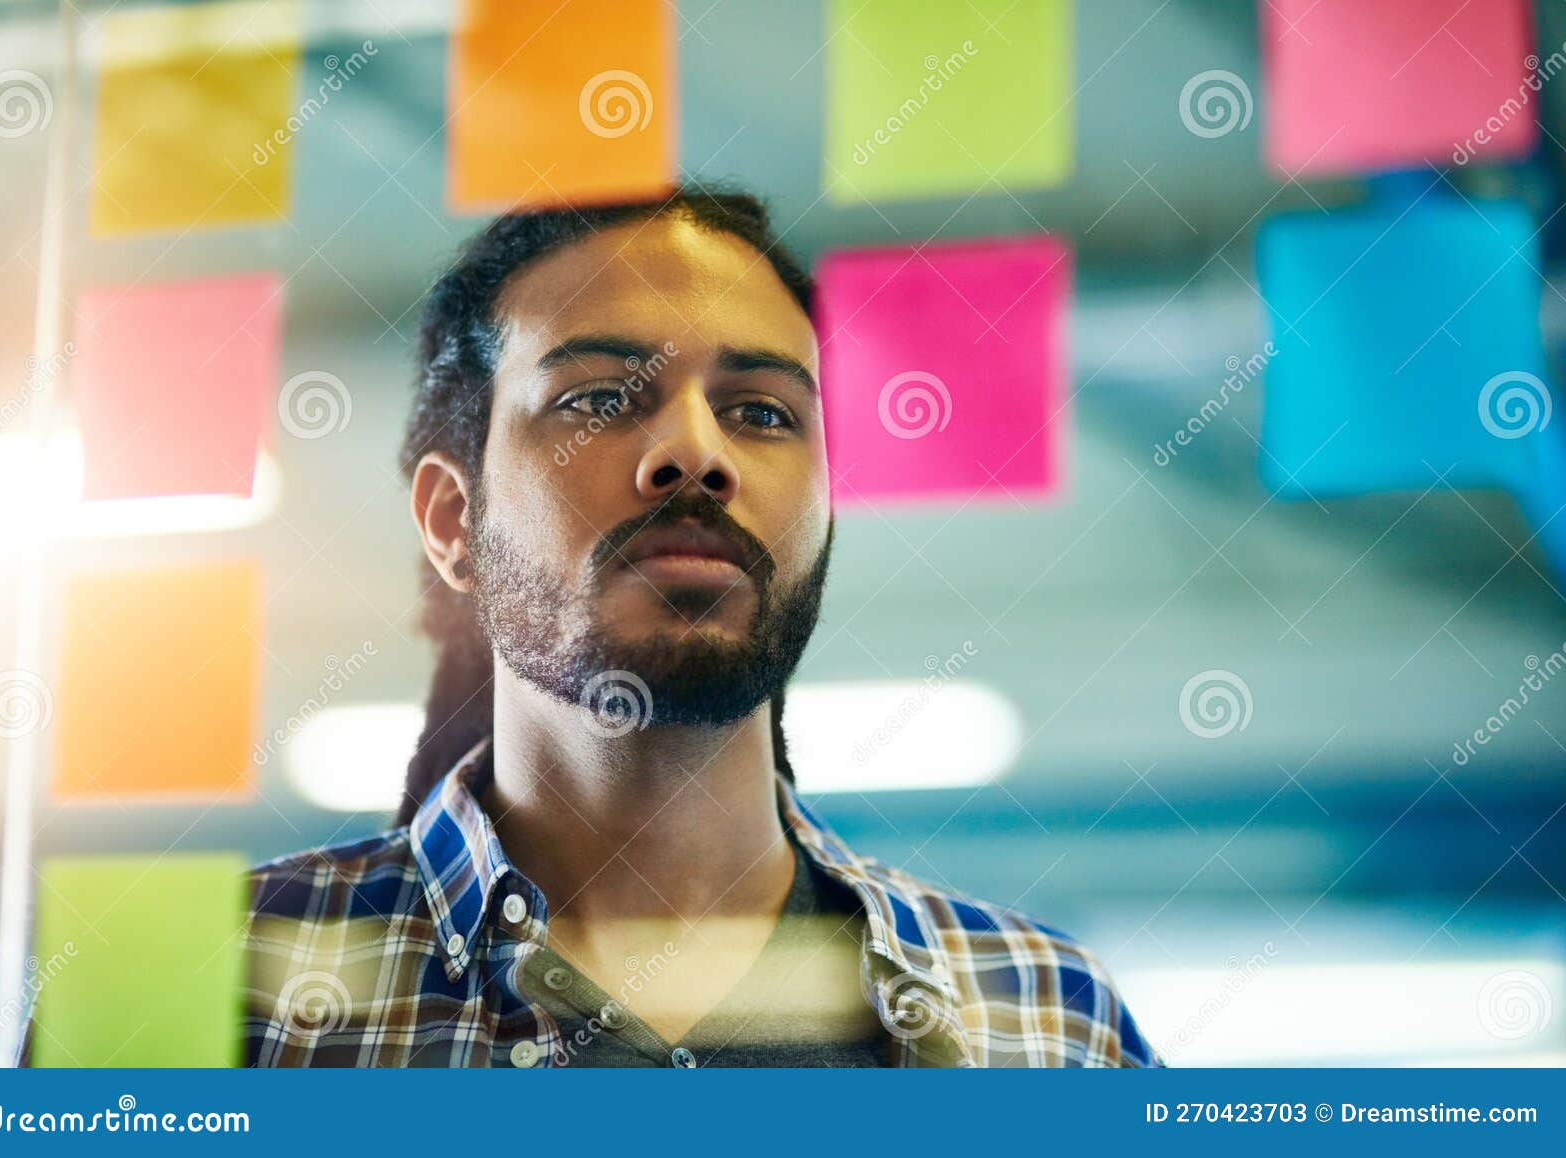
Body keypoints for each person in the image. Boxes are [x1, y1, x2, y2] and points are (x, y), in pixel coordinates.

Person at [243, 188, 1161, 1068]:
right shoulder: (235, 994)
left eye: (761, 412)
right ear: (453, 522)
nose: (695, 453)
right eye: (600, 399)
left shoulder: (1049, 1026)